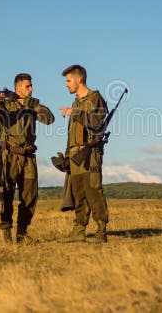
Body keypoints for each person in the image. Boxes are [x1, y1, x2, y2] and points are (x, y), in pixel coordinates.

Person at [0, 73, 54, 244]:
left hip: (28, 157)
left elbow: (49, 119)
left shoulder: (32, 105)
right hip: (9, 156)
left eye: (31, 86)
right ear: (18, 88)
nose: (31, 89)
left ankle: (22, 233)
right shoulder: (4, 105)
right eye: (27, 86)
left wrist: (31, 104)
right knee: (6, 195)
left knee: (30, 196)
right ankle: (7, 234)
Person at [58, 65, 109, 243]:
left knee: (93, 191)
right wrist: (67, 156)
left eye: (68, 80)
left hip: (90, 153)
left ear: (79, 79)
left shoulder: (95, 98)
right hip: (75, 154)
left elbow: (95, 121)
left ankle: (101, 231)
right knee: (78, 193)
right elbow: (71, 132)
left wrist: (75, 112)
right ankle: (79, 230)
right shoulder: (76, 103)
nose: (66, 84)